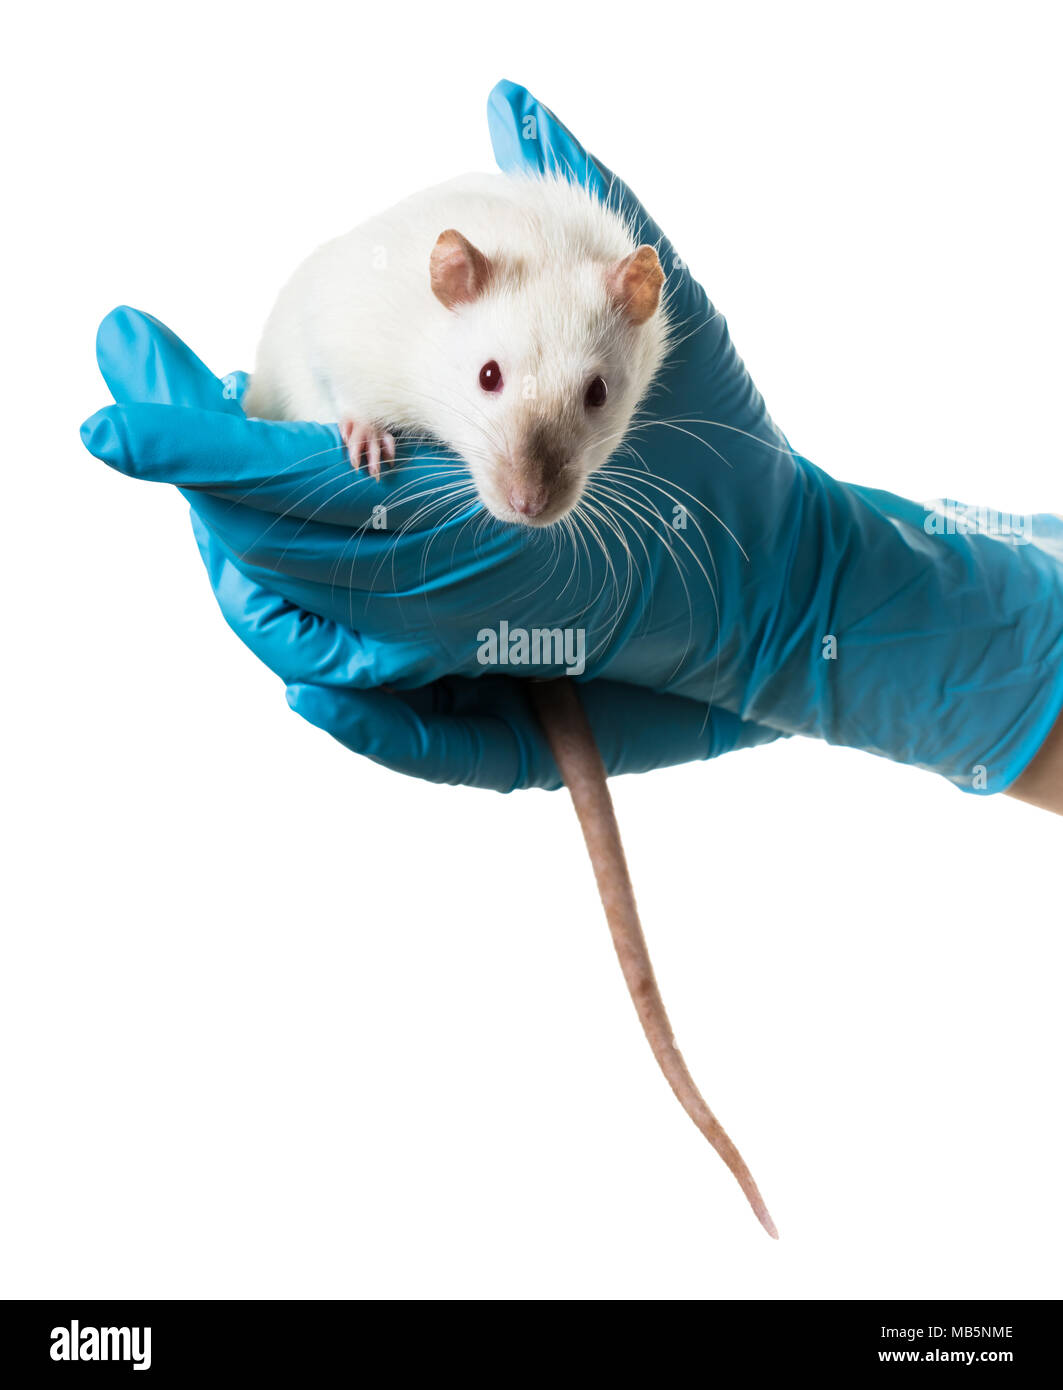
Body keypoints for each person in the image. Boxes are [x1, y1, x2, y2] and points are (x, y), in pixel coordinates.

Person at [80, 82, 1063, 815]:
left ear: (635, 308)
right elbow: (324, 319)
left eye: (593, 398)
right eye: (492, 385)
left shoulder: (624, 308)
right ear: (450, 284)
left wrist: (810, 616)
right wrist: (345, 414)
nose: (528, 485)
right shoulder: (414, 298)